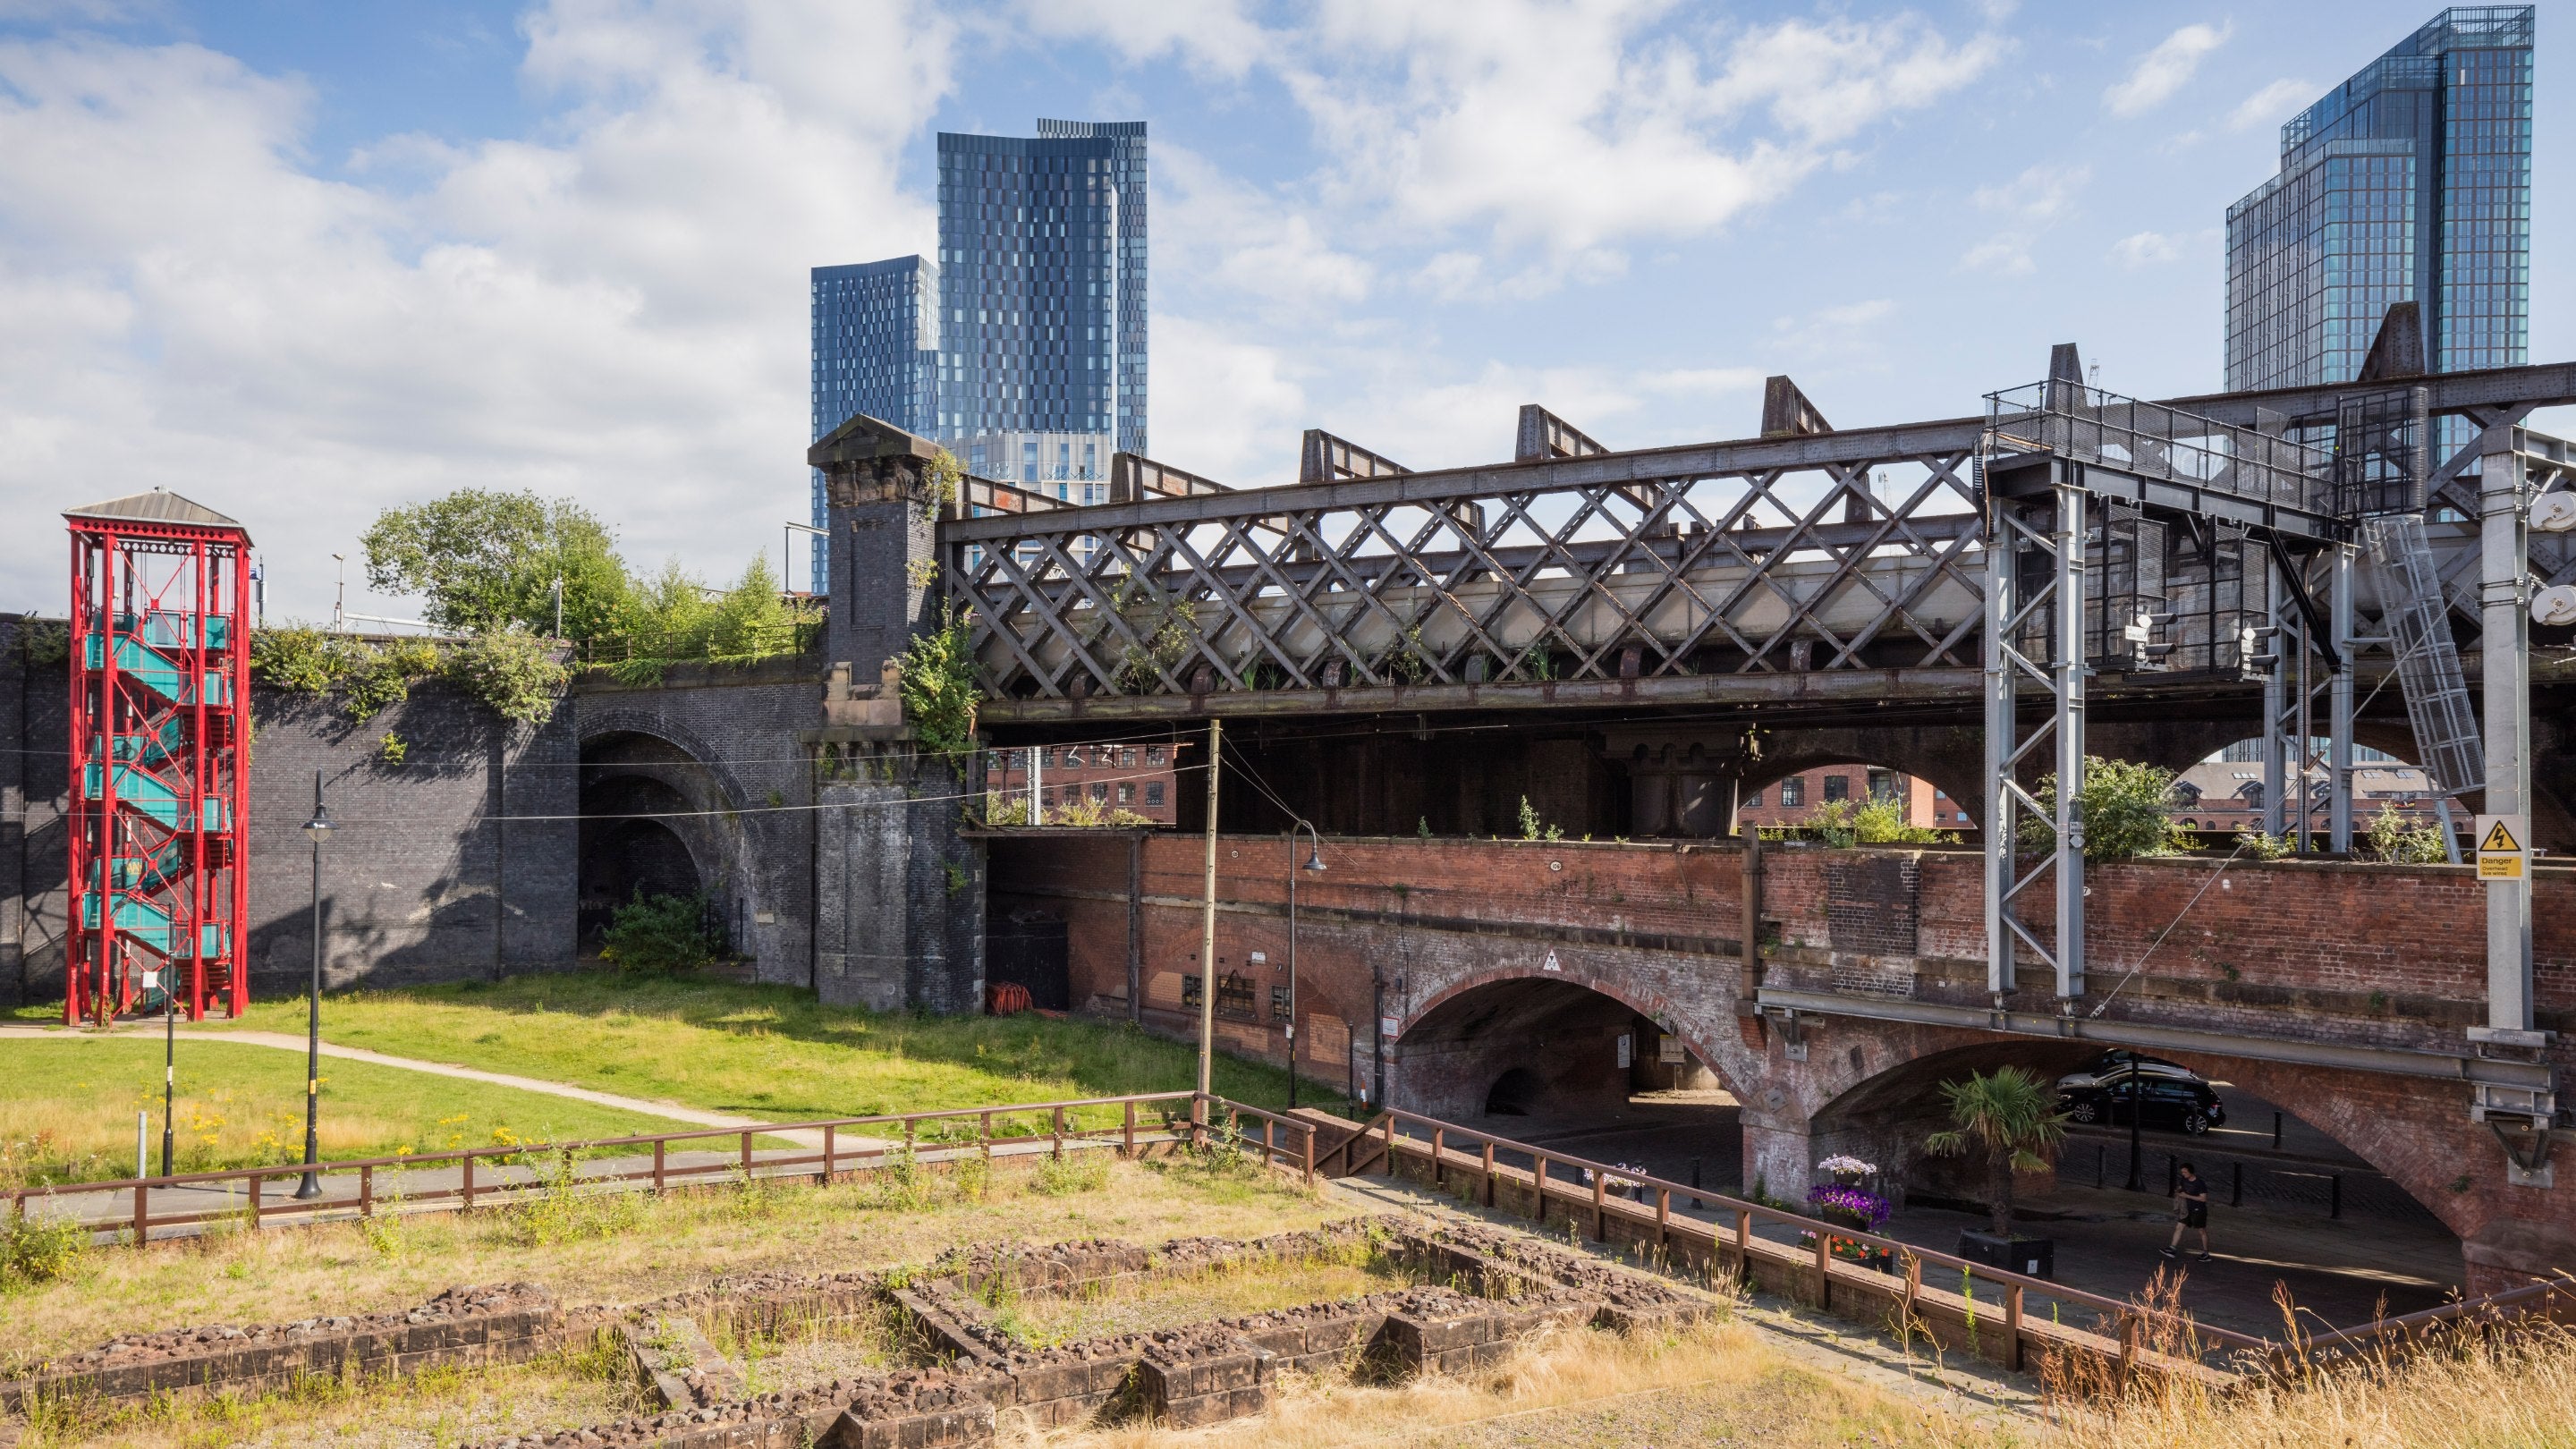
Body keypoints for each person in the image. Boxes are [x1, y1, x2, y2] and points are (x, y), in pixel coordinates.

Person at [2162, 1162, 2212, 1262]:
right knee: (2179, 1227)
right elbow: (2181, 1187)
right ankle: (2172, 1248)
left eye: (2185, 1172)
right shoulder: (2184, 1179)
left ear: (2191, 1172)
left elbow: (2203, 1199)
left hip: (2198, 1210)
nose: (2183, 1174)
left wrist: (2187, 1196)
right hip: (2186, 1210)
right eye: (2182, 1172)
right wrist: (2178, 1191)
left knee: (2201, 1231)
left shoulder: (2199, 1183)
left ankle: (2206, 1253)